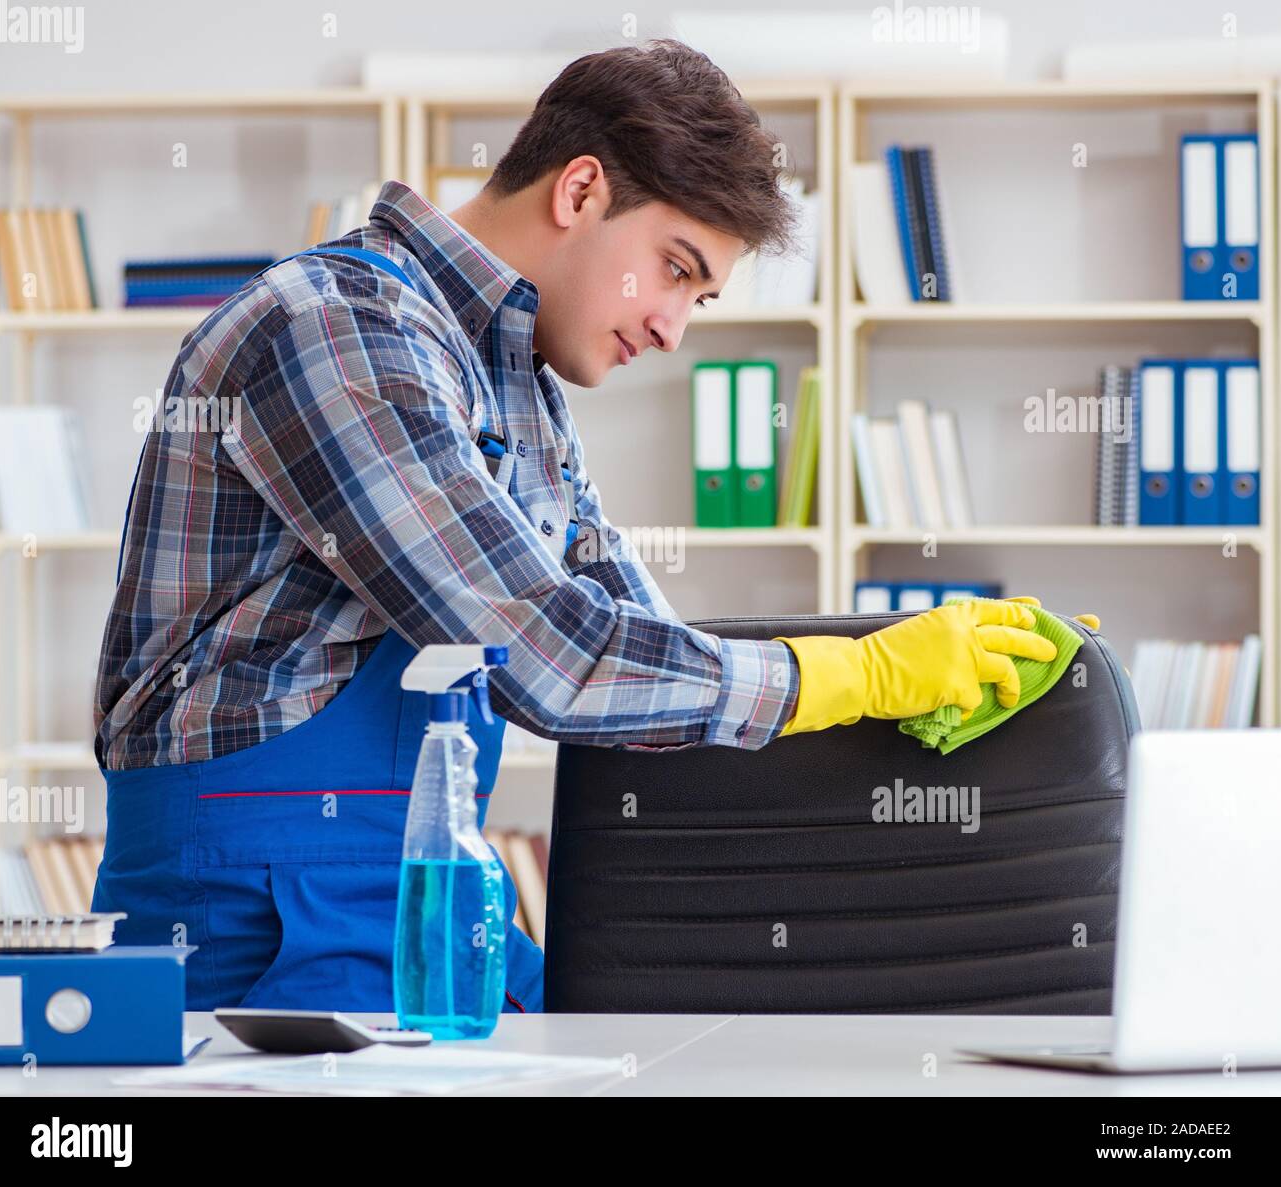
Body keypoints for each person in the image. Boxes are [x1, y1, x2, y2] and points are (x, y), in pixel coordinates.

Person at [91, 39, 1097, 1015]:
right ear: (579, 192)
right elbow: (546, 655)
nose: (672, 327)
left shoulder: (516, 382)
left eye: (697, 297)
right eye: (674, 267)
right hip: (257, 921)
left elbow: (641, 654)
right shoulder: (333, 328)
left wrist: (933, 677)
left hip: (417, 898)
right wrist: (854, 674)